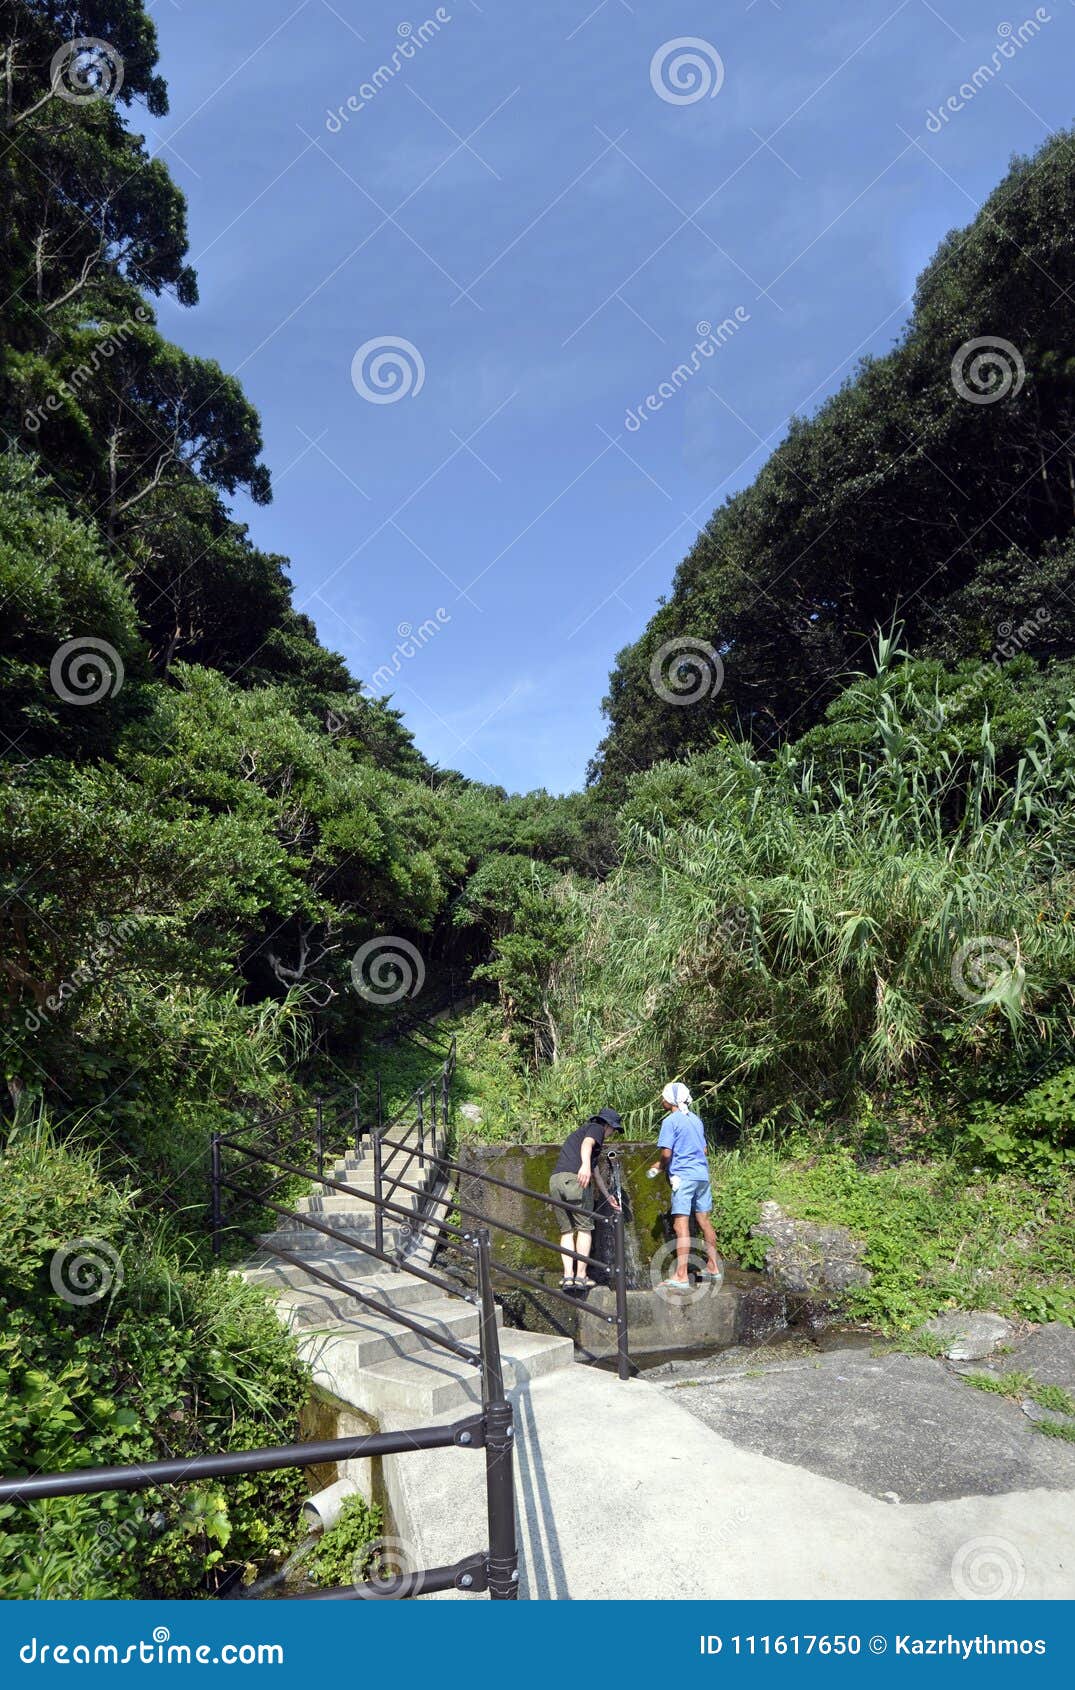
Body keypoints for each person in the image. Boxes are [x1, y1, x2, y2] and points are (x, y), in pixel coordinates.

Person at [648, 1082, 721, 1290]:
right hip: (702, 1176)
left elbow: (666, 1154)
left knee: (680, 1225)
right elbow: (704, 1150)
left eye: (663, 1097)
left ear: (669, 1101)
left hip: (684, 1177)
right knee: (704, 1221)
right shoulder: (695, 1119)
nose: (661, 1100)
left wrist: (659, 1166)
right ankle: (713, 1266)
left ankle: (681, 1275)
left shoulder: (671, 1121)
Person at [549, 1106, 623, 1290]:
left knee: (566, 1231)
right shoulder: (596, 1129)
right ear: (607, 1125)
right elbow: (587, 1144)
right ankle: (581, 1276)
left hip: (556, 1181)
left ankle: (568, 1277)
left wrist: (607, 1196)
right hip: (575, 1181)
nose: (612, 1133)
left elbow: (596, 1171)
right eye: (613, 1129)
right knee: (584, 1229)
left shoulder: (579, 1134)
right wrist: (583, 1166)